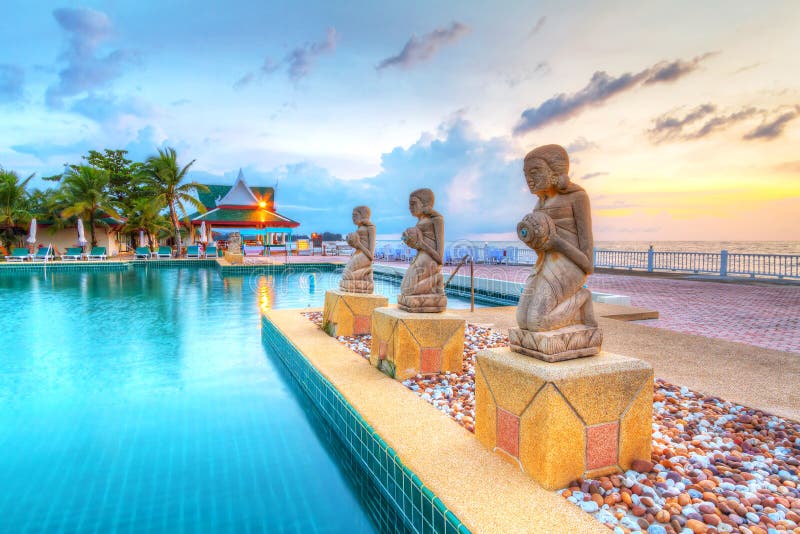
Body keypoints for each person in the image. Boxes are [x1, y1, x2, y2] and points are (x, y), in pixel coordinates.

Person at [516, 144, 597, 331]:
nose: (529, 179)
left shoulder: (577, 197)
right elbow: (542, 249)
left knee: (536, 322)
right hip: (546, 264)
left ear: (554, 171)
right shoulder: (538, 207)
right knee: (522, 320)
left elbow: (588, 264)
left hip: (572, 266)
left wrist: (555, 242)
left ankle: (582, 298)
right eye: (526, 174)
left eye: (535, 172)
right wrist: (534, 241)